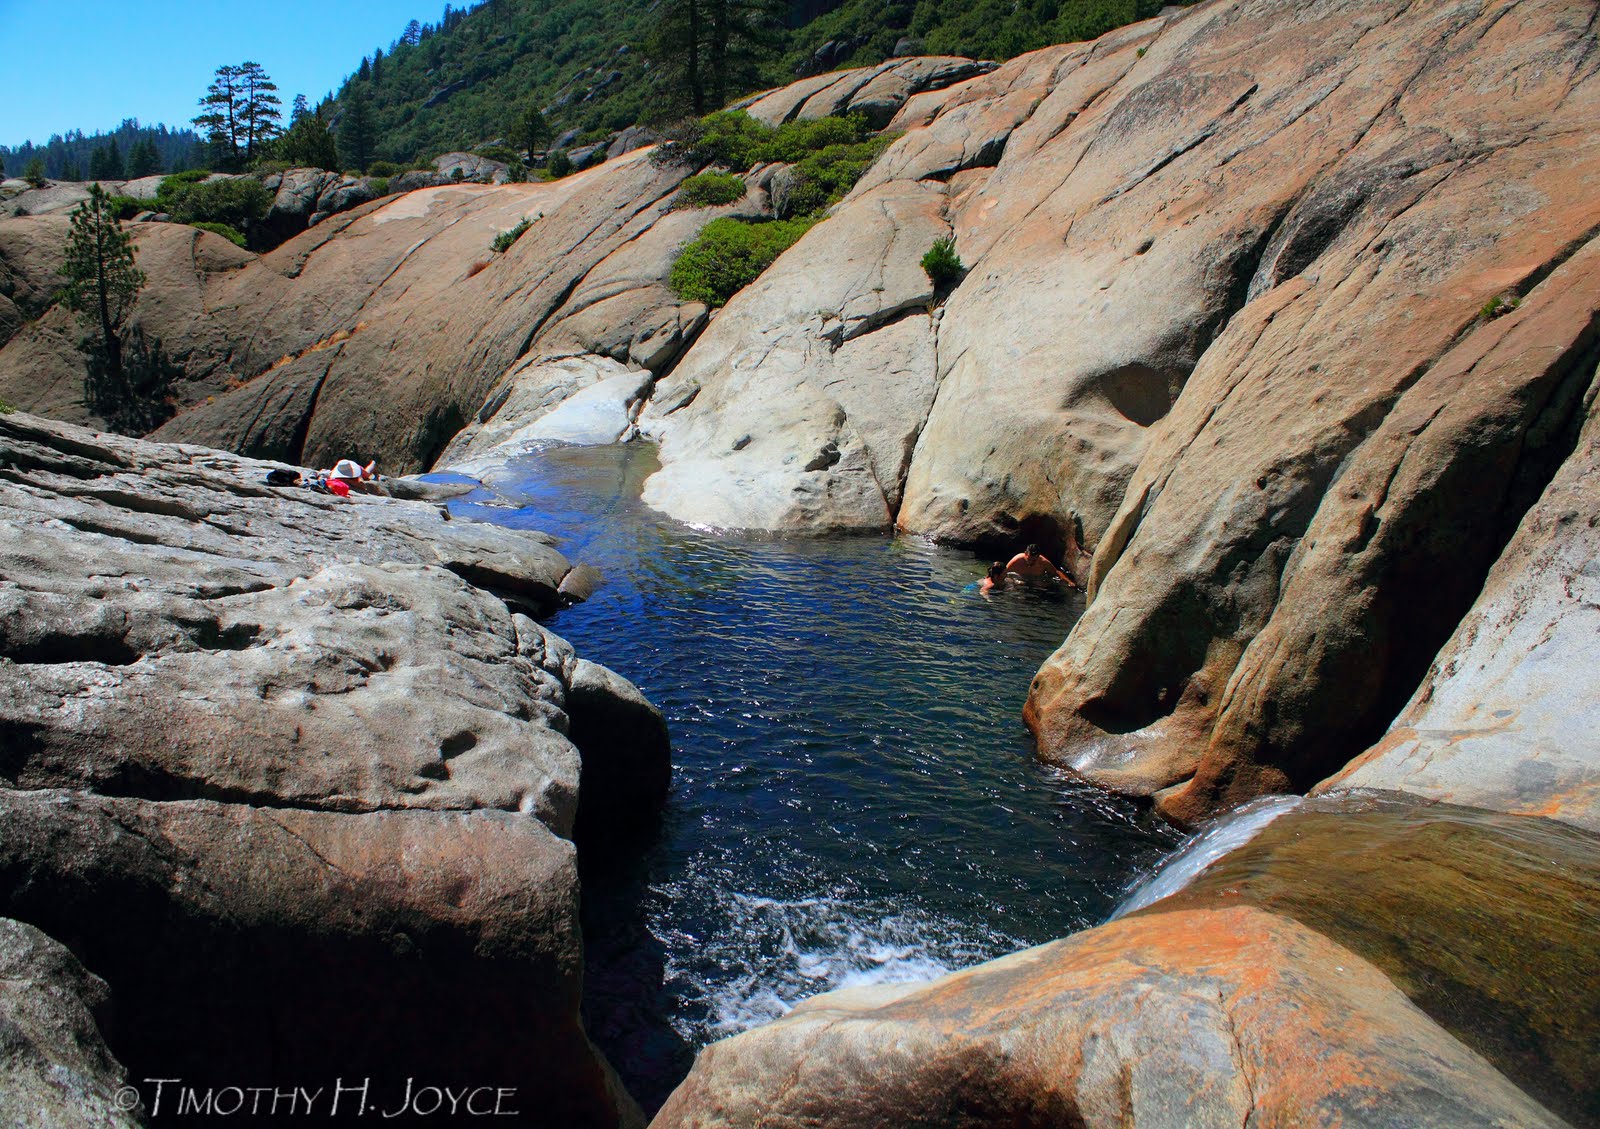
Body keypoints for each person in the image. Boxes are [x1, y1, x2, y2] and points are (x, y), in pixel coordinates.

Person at [1006, 543, 1078, 587]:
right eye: (1029, 559)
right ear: (1025, 554)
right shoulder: (1017, 560)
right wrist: (1014, 581)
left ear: (1038, 557)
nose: (1031, 562)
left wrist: (1069, 582)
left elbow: (1056, 572)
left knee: (1042, 585)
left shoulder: (1043, 562)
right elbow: (1004, 572)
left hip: (1036, 582)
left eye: (1034, 560)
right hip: (1019, 580)